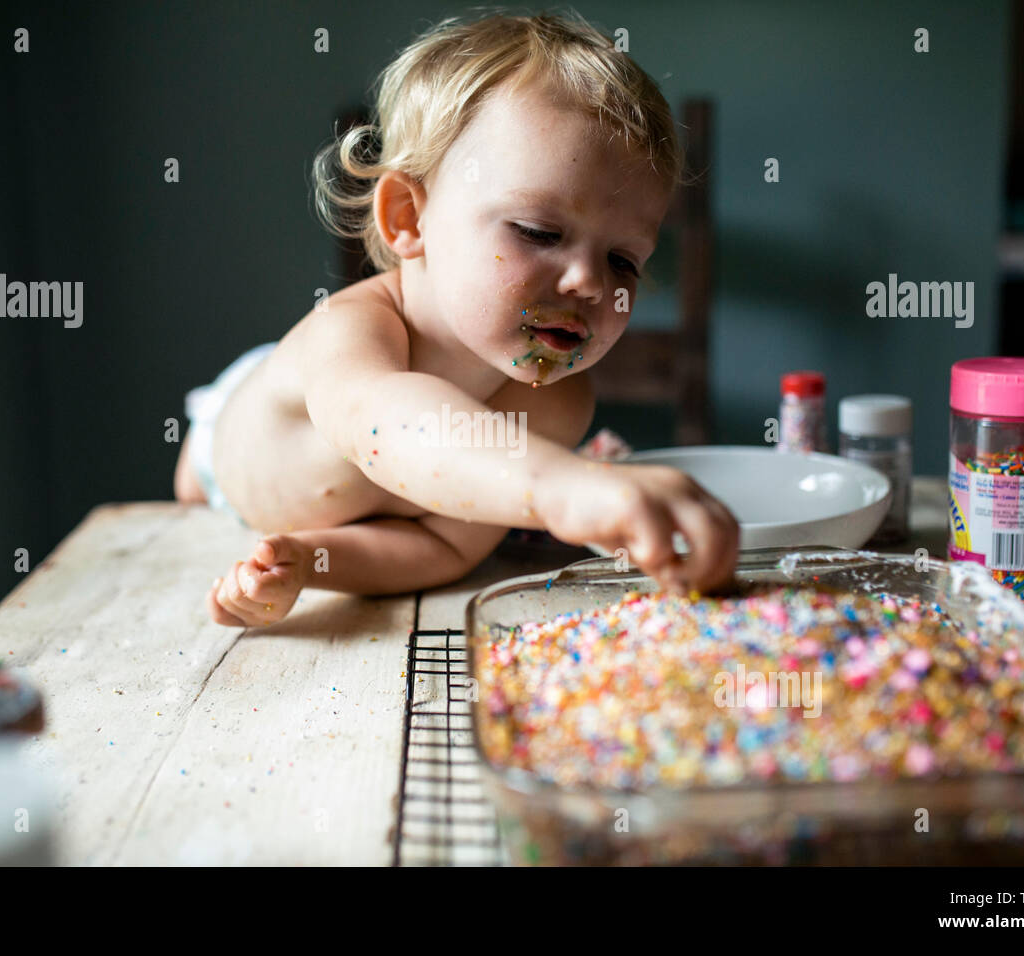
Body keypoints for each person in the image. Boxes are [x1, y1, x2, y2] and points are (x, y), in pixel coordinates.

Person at [175, 10, 739, 627]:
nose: (590, 282)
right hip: (240, 441)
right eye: (539, 231)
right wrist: (561, 487)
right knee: (189, 501)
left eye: (623, 260)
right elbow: (384, 425)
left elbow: (440, 548)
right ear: (408, 220)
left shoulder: (556, 404)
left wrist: (312, 561)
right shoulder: (353, 329)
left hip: (345, 511)